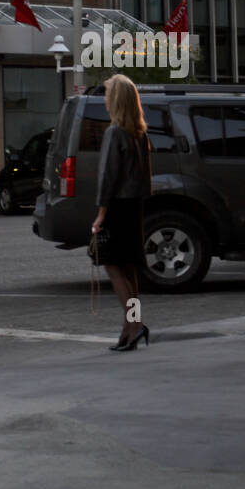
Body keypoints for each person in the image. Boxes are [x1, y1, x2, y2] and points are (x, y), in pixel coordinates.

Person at [92, 74, 152, 351]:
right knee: (129, 269)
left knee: (114, 267)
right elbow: (145, 178)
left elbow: (108, 176)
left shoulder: (114, 132)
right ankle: (131, 328)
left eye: (107, 95)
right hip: (135, 206)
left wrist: (101, 214)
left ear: (116, 100)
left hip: (117, 205)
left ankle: (135, 326)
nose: (104, 100)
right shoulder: (139, 133)